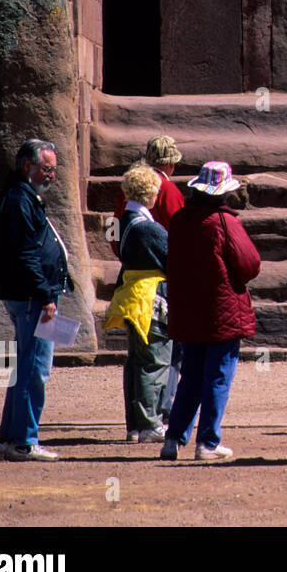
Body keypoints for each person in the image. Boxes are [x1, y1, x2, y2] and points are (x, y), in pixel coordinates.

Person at [160, 161, 261, 461]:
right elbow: (250, 264)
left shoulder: (179, 220)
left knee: (190, 376)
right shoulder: (225, 222)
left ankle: (173, 439)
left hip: (188, 311)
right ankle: (208, 442)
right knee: (218, 376)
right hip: (221, 312)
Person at [0, 139, 73, 461]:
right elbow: (26, 255)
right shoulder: (19, 199)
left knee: (26, 368)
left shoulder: (22, 196)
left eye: (54, 170)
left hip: (30, 295)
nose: (51, 176)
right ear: (27, 166)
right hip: (32, 297)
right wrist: (46, 294)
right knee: (35, 369)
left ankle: (10, 439)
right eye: (46, 169)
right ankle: (23, 441)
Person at [106, 164, 172, 443]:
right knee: (154, 362)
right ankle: (149, 424)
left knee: (136, 362)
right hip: (150, 300)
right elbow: (174, 260)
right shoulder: (149, 228)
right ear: (150, 193)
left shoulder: (124, 222)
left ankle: (136, 425)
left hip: (132, 297)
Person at [109, 136, 186, 255]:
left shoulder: (129, 185)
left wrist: (120, 253)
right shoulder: (168, 188)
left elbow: (113, 225)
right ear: (171, 164)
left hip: (130, 260)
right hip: (161, 262)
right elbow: (179, 231)